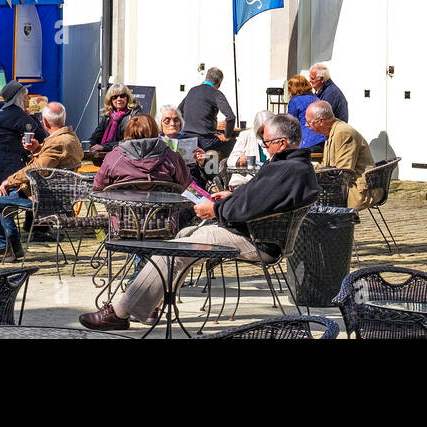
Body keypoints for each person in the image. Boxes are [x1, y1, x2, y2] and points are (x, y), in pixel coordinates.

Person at [80, 113, 319, 331]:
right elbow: (259, 199)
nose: (264, 147)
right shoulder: (291, 166)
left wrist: (215, 209)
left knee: (174, 250)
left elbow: (250, 207)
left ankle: (119, 313)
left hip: (258, 240)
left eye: (266, 143)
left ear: (282, 143)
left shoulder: (288, 169)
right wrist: (230, 196)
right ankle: (149, 303)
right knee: (182, 238)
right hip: (255, 233)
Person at [0, 101, 81, 263]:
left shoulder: (58, 142)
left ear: (44, 122)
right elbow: (49, 164)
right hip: (52, 195)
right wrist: (37, 150)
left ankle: (0, 250)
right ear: (64, 118)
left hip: (42, 198)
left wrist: (9, 181)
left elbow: (37, 170)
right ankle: (13, 248)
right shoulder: (70, 139)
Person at [307, 100, 376, 209]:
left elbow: (343, 172)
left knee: (306, 200)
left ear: (321, 121)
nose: (307, 125)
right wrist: (306, 170)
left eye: (309, 122)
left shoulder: (343, 133)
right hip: (345, 186)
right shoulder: (331, 132)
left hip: (357, 190)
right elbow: (326, 165)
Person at [93, 114, 190, 189]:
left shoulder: (114, 157)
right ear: (155, 130)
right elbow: (186, 184)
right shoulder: (171, 157)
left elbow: (98, 187)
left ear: (128, 131)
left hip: (124, 214)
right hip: (163, 213)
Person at [176, 67, 237, 152]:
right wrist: (227, 136)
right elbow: (231, 117)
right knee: (233, 142)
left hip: (187, 139)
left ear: (206, 78)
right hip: (205, 141)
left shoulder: (192, 90)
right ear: (219, 83)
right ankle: (221, 165)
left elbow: (178, 112)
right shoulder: (215, 93)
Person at [158, 106, 211, 190]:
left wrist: (203, 162)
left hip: (191, 184)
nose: (172, 123)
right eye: (167, 121)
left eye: (176, 120)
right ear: (160, 123)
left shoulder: (192, 140)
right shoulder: (156, 142)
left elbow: (211, 172)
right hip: (165, 185)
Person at [227, 110, 272, 188]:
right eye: (261, 132)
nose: (264, 135)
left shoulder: (276, 140)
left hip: (268, 182)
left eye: (267, 131)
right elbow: (230, 160)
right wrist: (238, 160)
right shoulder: (246, 136)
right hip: (246, 182)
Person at [88, 84, 140, 152]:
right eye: (115, 97)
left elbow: (130, 142)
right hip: (109, 153)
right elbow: (97, 135)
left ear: (127, 98)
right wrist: (89, 144)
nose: (119, 99)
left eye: (122, 96)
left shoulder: (134, 115)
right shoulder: (108, 116)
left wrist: (104, 147)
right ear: (110, 100)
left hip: (127, 154)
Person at [285, 74, 324, 151]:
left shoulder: (295, 101)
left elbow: (290, 124)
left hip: (306, 142)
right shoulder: (317, 99)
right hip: (322, 141)